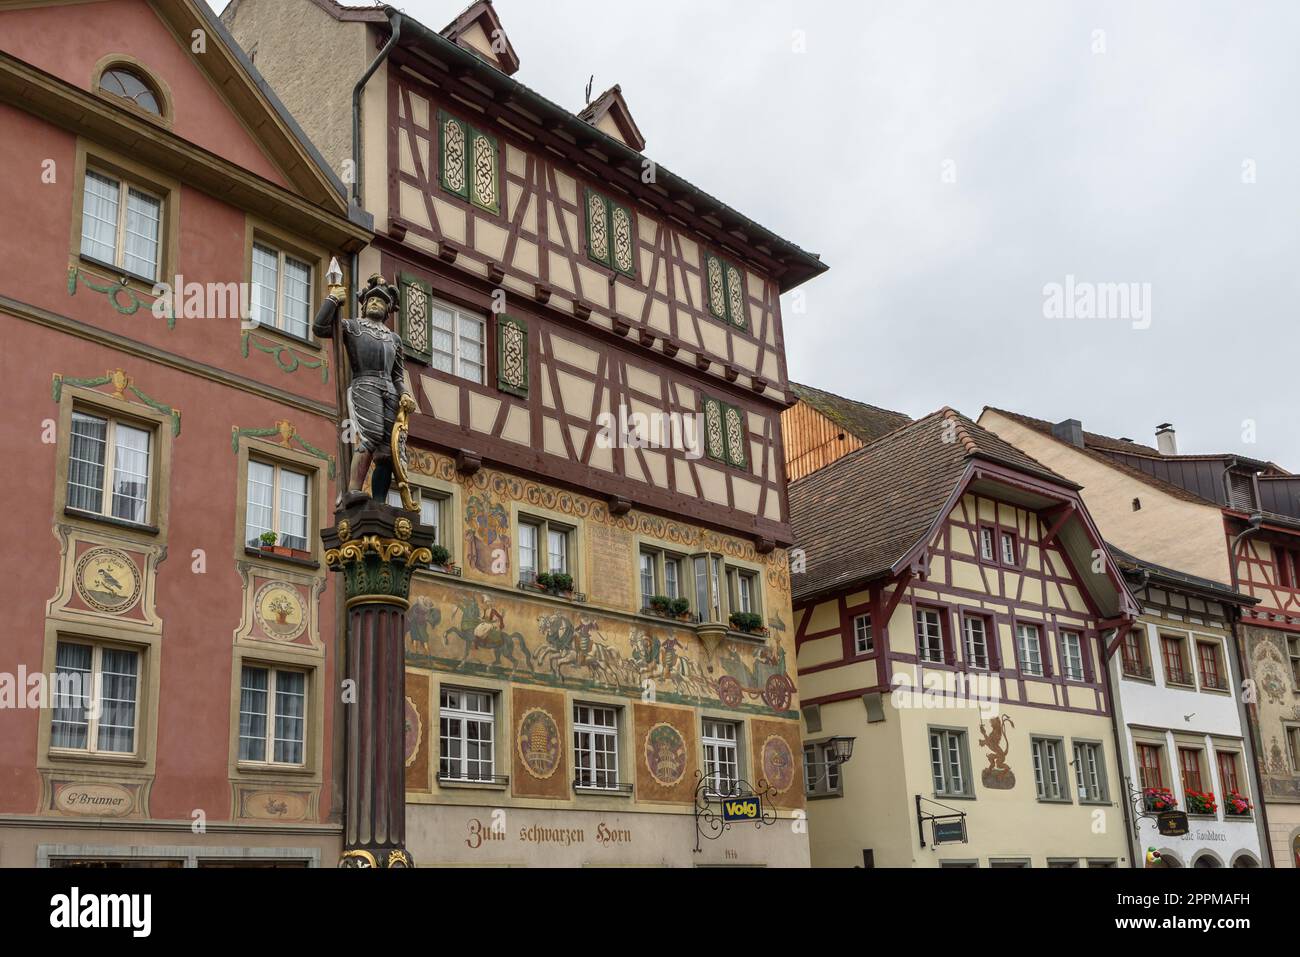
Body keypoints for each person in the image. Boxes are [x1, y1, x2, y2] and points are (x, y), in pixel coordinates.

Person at [312, 273, 416, 503]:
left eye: (381, 301)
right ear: (364, 305)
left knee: (388, 450)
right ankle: (352, 490)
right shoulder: (352, 326)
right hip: (365, 383)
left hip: (390, 391)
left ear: (387, 309)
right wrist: (332, 300)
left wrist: (405, 393)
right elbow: (319, 327)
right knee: (372, 435)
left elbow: (398, 375)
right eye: (372, 300)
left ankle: (379, 501)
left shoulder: (394, 339)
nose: (375, 303)